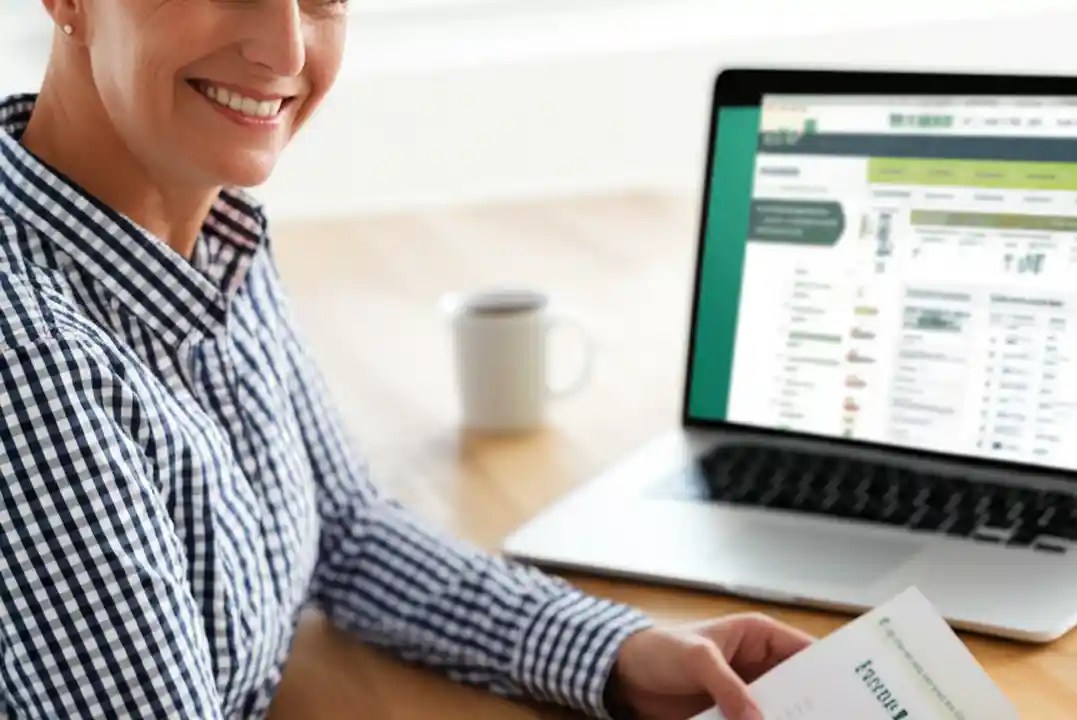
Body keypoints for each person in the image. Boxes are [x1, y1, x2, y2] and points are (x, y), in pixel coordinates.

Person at [0, 0, 814, 718]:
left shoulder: (210, 235)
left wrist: (617, 652)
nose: (285, 53)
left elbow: (347, 533)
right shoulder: (31, 364)